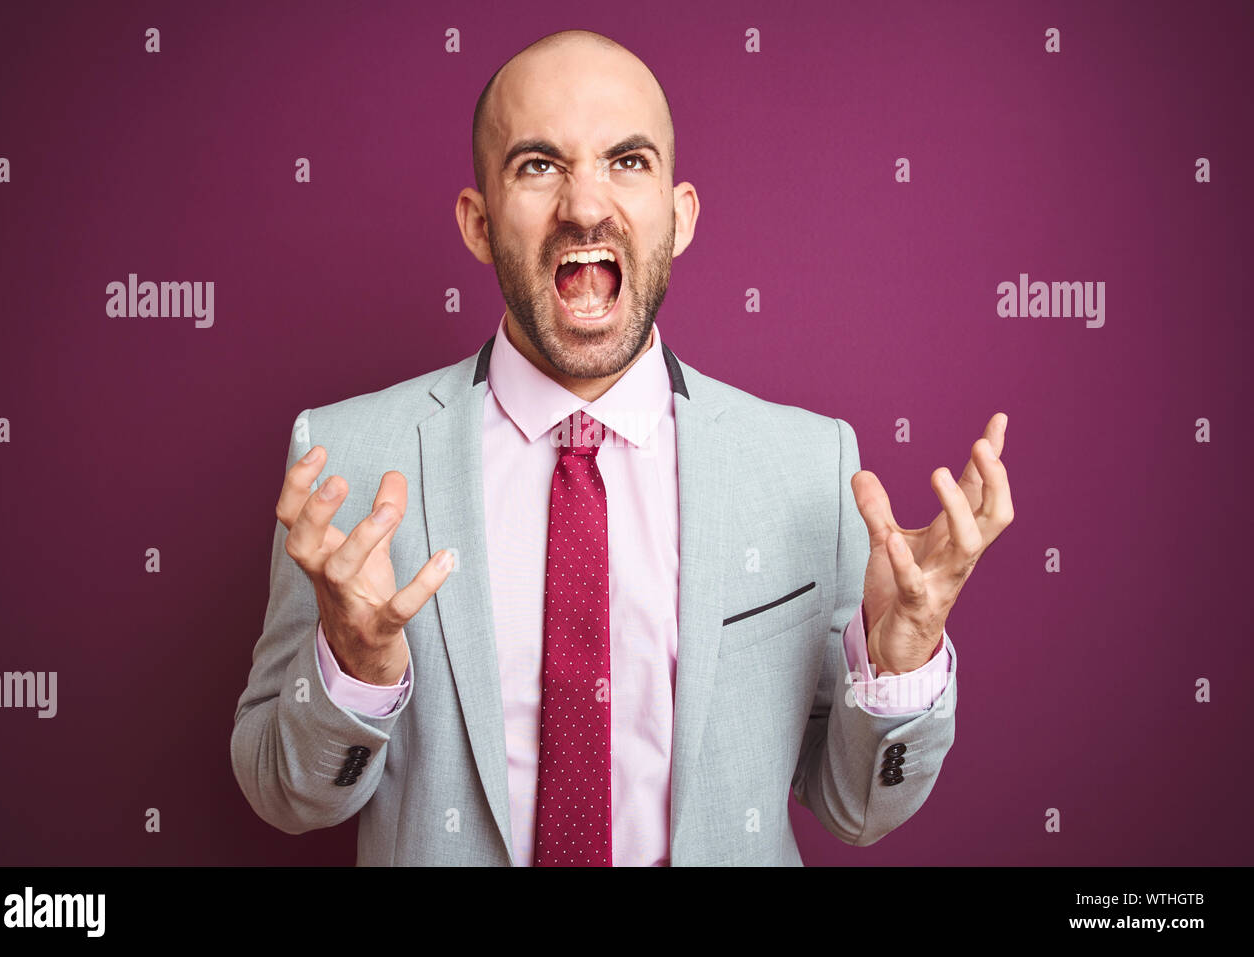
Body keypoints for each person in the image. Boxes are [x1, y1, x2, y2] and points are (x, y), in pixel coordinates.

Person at [230, 29, 1014, 866]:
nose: (585, 205)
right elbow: (283, 793)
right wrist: (354, 667)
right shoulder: (345, 455)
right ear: (479, 222)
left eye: (627, 161)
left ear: (678, 219)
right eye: (538, 164)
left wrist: (900, 666)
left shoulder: (808, 467)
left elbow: (857, 807)